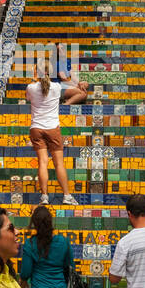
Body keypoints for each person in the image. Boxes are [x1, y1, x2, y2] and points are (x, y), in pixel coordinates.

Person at [25, 61, 88, 207]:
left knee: (43, 162)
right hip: (53, 128)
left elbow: (28, 98)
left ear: (37, 72)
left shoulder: (31, 87)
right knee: (59, 163)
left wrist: (34, 80)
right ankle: (66, 195)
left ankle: (44, 196)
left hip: (36, 128)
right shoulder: (57, 87)